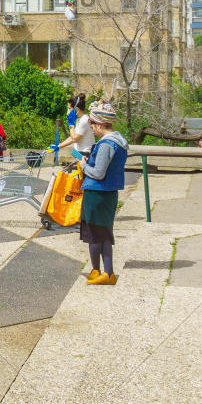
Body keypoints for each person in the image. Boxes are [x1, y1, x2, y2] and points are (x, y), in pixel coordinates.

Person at [78, 102, 128, 285]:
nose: (92, 130)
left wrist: (83, 165)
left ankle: (98, 271)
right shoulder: (119, 142)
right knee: (105, 235)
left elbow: (98, 172)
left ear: (99, 124)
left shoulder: (106, 144)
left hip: (97, 194)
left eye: (92, 126)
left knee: (95, 236)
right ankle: (108, 272)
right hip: (108, 193)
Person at [64, 94, 93, 161]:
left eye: (69, 108)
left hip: (85, 154)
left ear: (76, 109)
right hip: (79, 153)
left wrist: (71, 125)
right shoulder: (79, 119)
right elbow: (72, 137)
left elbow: (74, 139)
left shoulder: (84, 120)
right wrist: (58, 147)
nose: (68, 111)